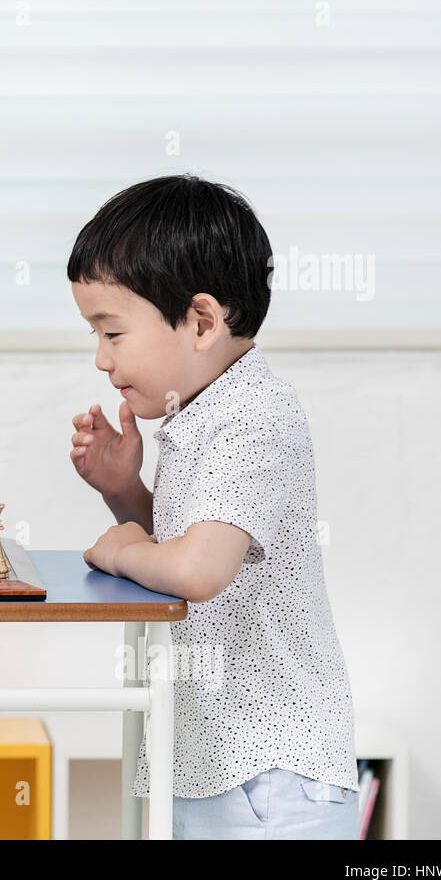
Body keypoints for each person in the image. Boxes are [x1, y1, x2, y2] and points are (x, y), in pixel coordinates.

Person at [67, 174, 359, 839]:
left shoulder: (253, 413)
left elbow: (198, 571)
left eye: (112, 333)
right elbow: (193, 542)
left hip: (269, 776)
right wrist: (124, 492)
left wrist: (122, 546)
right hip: (218, 761)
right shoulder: (202, 412)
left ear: (201, 321)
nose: (100, 360)